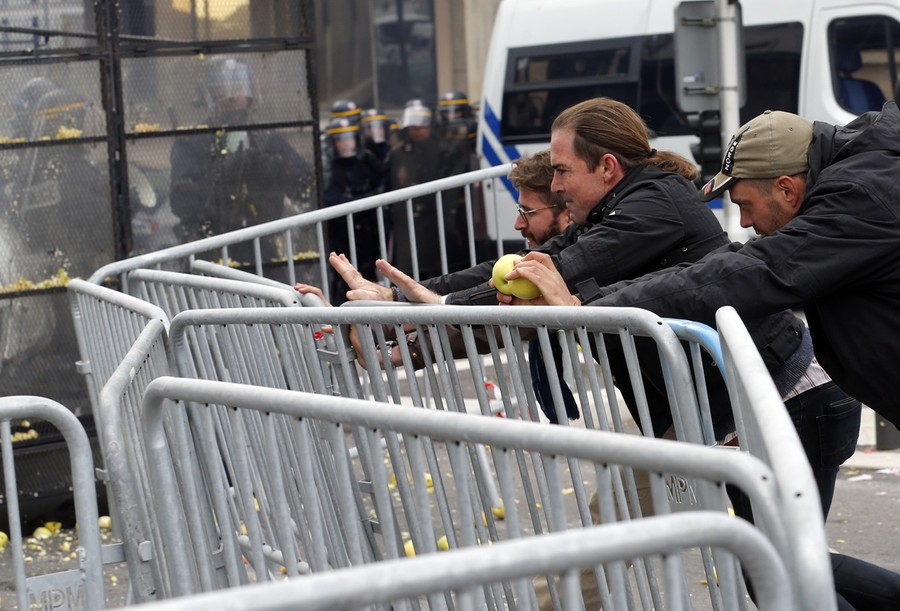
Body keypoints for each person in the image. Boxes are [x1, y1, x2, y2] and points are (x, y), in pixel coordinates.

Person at [500, 106, 900, 610]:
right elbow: (733, 263)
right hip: (767, 401)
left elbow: (749, 274)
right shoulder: (857, 185)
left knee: (787, 576)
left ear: (786, 188)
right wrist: (434, 302)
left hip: (794, 396)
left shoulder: (858, 197)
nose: (745, 221)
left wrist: (583, 310)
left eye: (746, 204)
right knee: (783, 567)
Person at [169, 56, 313, 264]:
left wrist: (274, 168)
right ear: (208, 93)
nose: (233, 96)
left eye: (238, 86)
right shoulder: (193, 141)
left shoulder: (265, 138)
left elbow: (304, 186)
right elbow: (181, 202)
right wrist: (221, 172)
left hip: (263, 248)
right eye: (224, 88)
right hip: (210, 249)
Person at [387, 98, 470, 279]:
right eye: (413, 125)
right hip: (409, 226)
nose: (417, 130)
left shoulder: (445, 149)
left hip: (439, 220)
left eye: (421, 125)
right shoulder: (399, 153)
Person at [322, 116, 387, 304]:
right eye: (340, 140)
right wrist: (367, 200)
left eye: (349, 138)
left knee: (370, 277)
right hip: (342, 236)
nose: (346, 144)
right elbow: (333, 200)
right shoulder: (329, 168)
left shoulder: (365, 161)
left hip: (368, 234)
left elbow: (382, 181)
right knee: (344, 281)